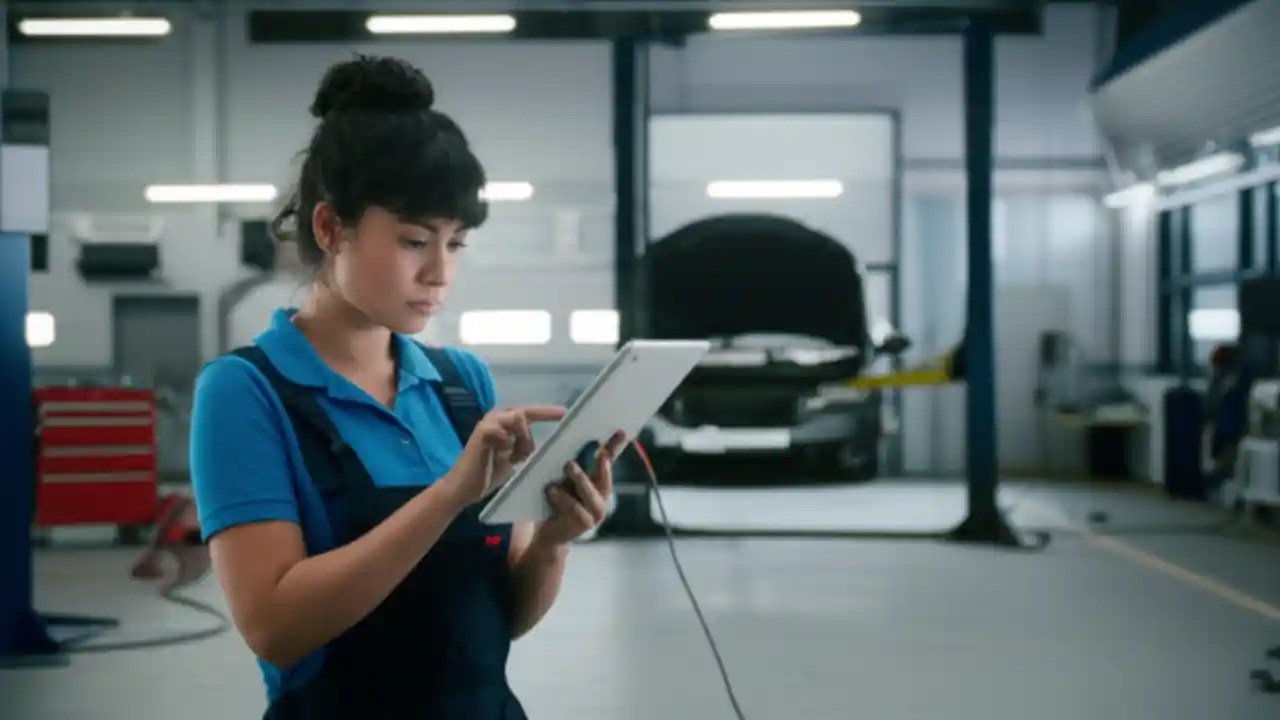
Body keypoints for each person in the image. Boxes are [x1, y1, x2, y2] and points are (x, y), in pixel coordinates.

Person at [189, 55, 623, 719]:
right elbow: (275, 627)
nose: (440, 273)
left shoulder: (461, 384)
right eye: (416, 241)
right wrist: (449, 497)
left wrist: (554, 541)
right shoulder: (246, 392)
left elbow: (502, 618)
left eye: (457, 244)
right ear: (330, 228)